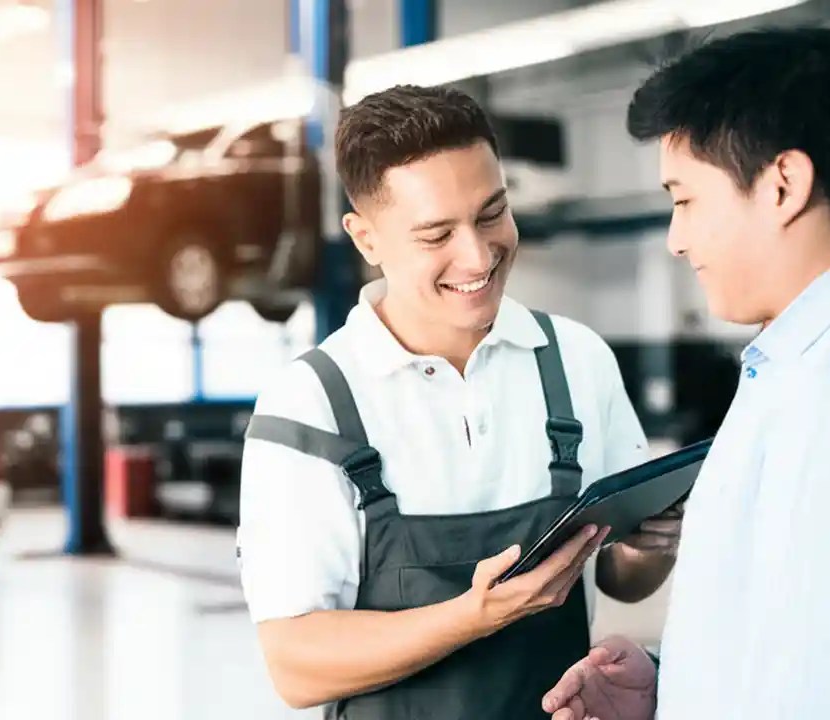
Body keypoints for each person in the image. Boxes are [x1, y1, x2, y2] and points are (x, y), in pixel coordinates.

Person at [542, 26, 830, 720]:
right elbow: (808, 650)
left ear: (783, 186)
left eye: (685, 199)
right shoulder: (807, 371)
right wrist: (672, 687)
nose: (676, 239)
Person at [235, 84, 685, 719]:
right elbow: (296, 665)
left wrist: (649, 543)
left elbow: (621, 578)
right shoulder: (311, 404)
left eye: (492, 213)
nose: (477, 254)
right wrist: (471, 618)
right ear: (366, 239)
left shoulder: (576, 360)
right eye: (436, 234)